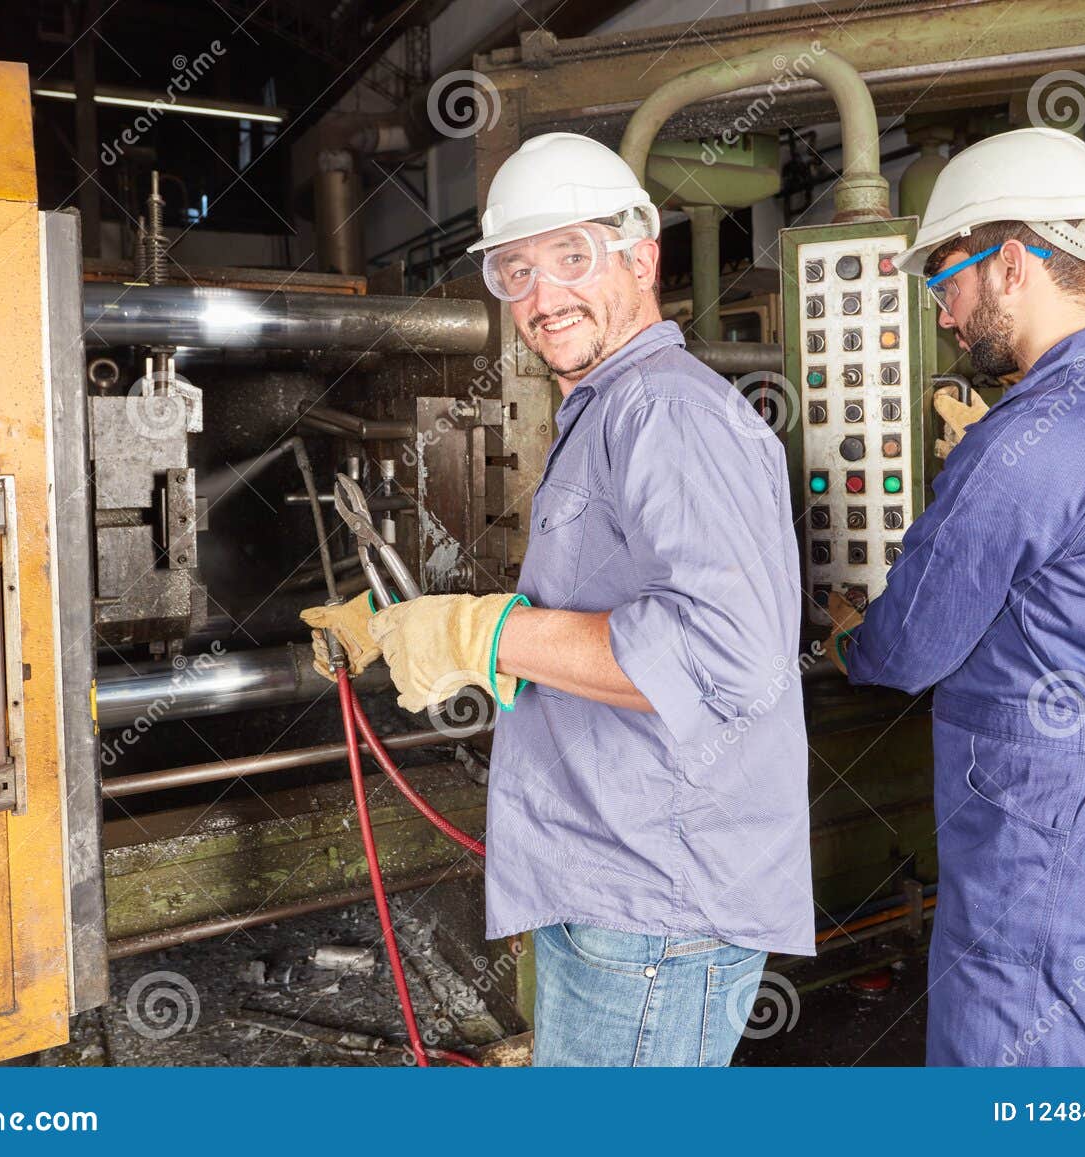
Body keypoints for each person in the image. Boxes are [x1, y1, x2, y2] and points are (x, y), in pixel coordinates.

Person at [303, 132, 813, 1067]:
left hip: (658, 902)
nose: (543, 297)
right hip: (613, 882)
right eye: (516, 270)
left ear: (642, 255)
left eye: (571, 257)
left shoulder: (666, 411)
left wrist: (481, 630)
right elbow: (601, 614)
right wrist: (403, 629)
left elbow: (726, 655)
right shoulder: (609, 410)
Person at [830, 126, 1085, 1066]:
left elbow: (909, 645)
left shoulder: (1027, 437)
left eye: (945, 283)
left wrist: (849, 635)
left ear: (1011, 265)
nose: (945, 315)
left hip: (1040, 830)